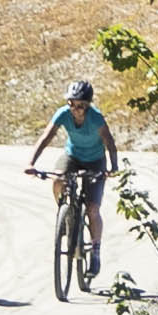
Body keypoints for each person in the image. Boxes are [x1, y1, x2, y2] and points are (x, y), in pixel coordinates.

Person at [31, 77, 119, 259]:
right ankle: (64, 211)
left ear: (87, 105)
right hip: (73, 156)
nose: (75, 110)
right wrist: (31, 163)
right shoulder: (63, 114)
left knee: (93, 209)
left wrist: (113, 166)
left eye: (80, 106)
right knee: (57, 179)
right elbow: (46, 137)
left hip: (95, 160)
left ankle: (95, 250)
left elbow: (109, 141)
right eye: (71, 104)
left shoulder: (96, 118)